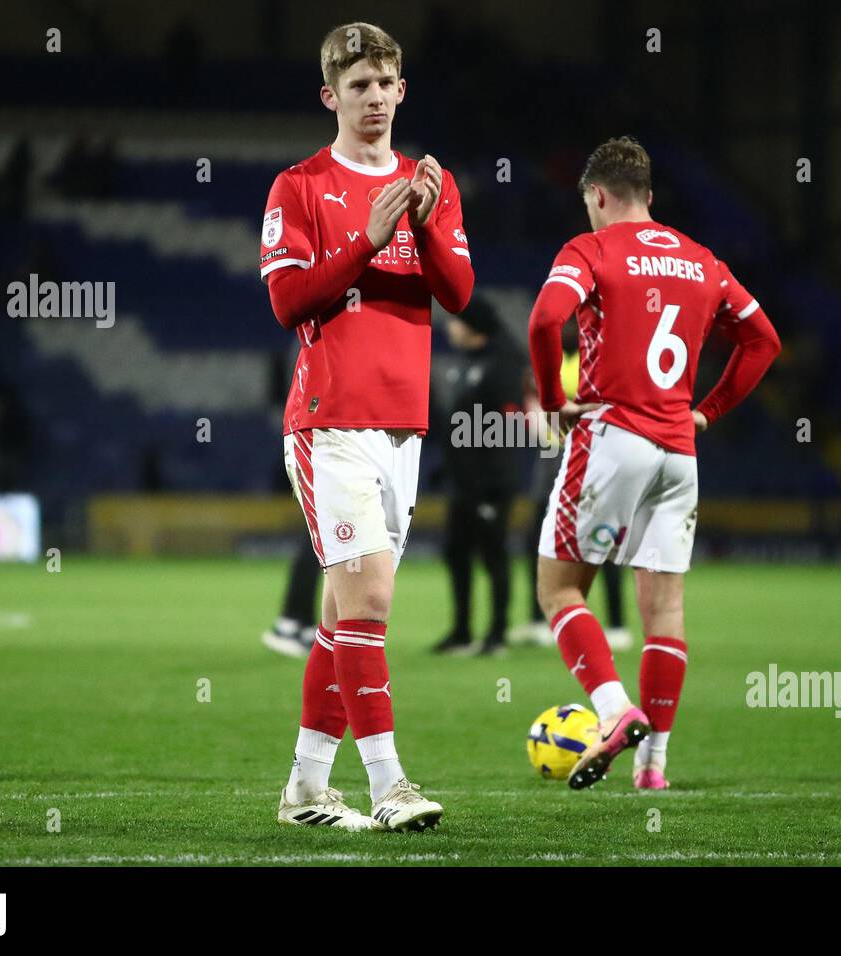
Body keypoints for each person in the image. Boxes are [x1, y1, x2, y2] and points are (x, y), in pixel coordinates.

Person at [259, 22, 473, 832]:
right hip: (329, 421)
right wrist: (368, 239)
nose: (375, 98)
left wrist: (415, 221)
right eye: (359, 87)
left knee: (342, 615)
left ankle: (306, 791)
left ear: (402, 89)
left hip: (403, 427)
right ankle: (390, 787)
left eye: (386, 84)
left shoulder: (431, 186)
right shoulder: (300, 186)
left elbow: (457, 292)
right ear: (331, 96)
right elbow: (288, 303)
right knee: (372, 600)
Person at [528, 136, 780, 790]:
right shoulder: (703, 261)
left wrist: (556, 400)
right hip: (679, 449)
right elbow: (764, 340)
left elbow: (543, 320)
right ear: (649, 195)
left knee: (557, 589)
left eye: (589, 204)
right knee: (664, 613)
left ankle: (612, 711)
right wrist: (710, 410)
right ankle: (653, 768)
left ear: (601, 195)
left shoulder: (591, 249)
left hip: (613, 434)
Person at [514, 330, 632, 651]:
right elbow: (531, 400)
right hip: (552, 458)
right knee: (538, 538)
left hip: (591, 456)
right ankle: (540, 621)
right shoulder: (547, 364)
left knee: (602, 537)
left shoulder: (597, 362)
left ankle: (617, 623)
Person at [434, 297, 524, 656]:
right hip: (463, 483)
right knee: (456, 552)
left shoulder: (501, 367)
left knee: (493, 554)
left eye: (457, 321)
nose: (450, 327)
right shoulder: (467, 365)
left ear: (474, 328)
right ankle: (461, 631)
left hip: (490, 484)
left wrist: (493, 481)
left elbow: (510, 426)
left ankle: (497, 634)